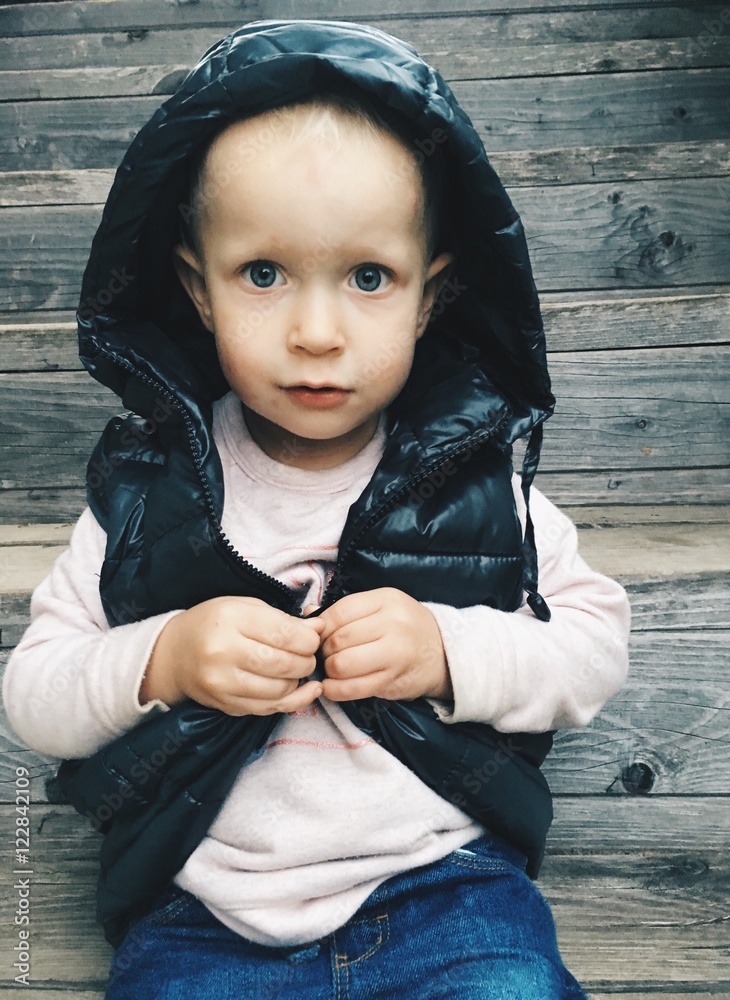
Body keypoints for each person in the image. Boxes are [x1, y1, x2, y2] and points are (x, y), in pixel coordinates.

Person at [3, 18, 630, 999]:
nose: (316, 332)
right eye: (263, 273)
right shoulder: (151, 490)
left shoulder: (472, 479)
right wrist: (164, 656)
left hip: (442, 889)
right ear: (197, 290)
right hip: (202, 915)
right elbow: (34, 694)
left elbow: (593, 647)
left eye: (369, 277)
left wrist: (445, 648)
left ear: (429, 297)